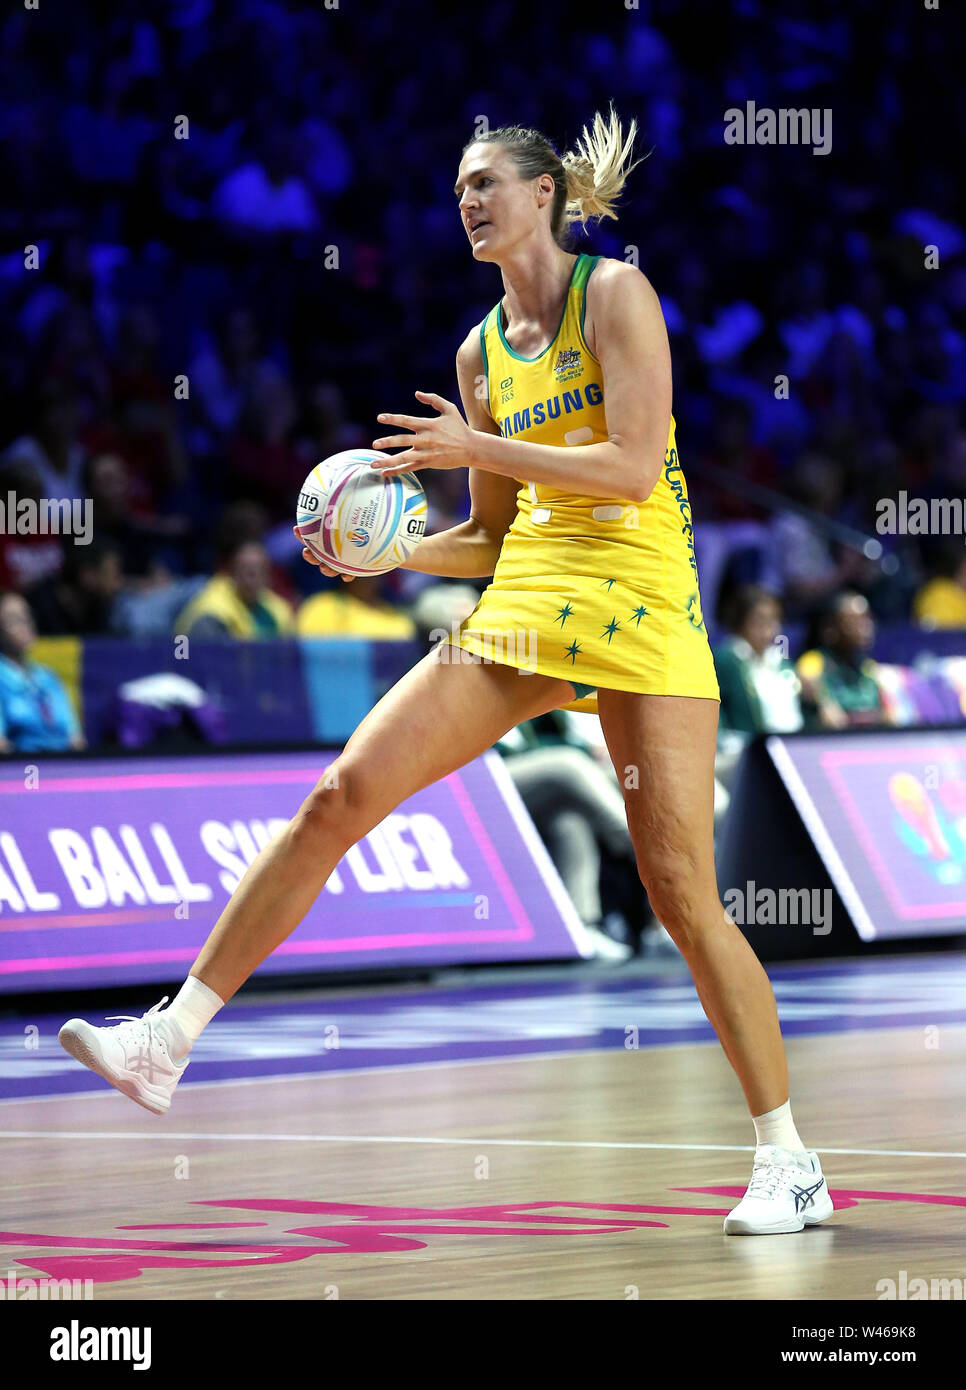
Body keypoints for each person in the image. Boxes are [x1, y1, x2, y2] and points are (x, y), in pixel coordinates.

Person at [58, 108, 832, 1237]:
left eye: (485, 183)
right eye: (457, 187)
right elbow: (490, 534)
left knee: (682, 898)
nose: (467, 200)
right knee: (341, 793)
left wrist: (476, 449)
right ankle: (166, 1038)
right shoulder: (478, 354)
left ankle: (789, 1158)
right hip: (526, 605)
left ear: (544, 196)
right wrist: (389, 548)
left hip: (645, 600)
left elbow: (625, 467)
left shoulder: (614, 294)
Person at [0, 591, 85, 753]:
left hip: (64, 768)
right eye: (14, 619)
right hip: (21, 770)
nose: (25, 625)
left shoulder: (48, 677)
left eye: (27, 617)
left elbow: (75, 737)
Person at [796, 590, 892, 730]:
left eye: (867, 619)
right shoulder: (813, 661)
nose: (864, 628)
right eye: (854, 622)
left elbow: (889, 716)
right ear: (830, 630)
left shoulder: (869, 667)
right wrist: (824, 703)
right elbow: (807, 681)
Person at [174, 539, 294, 640]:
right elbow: (207, 661)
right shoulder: (211, 613)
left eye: (260, 571)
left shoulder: (278, 610)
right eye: (247, 571)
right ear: (231, 573)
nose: (252, 578)